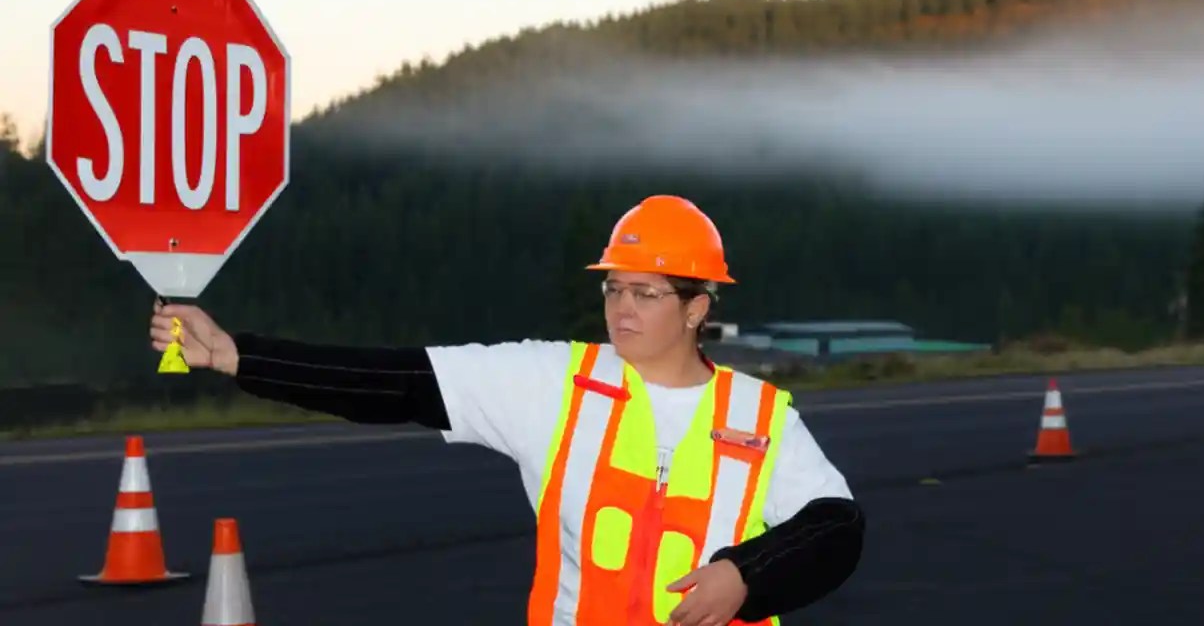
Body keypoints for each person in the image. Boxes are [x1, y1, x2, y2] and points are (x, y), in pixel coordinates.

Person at [149, 194, 865, 626]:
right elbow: (396, 381)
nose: (622, 308)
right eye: (614, 288)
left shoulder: (759, 414)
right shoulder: (555, 383)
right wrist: (239, 356)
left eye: (645, 293)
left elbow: (836, 526)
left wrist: (745, 574)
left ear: (697, 308)